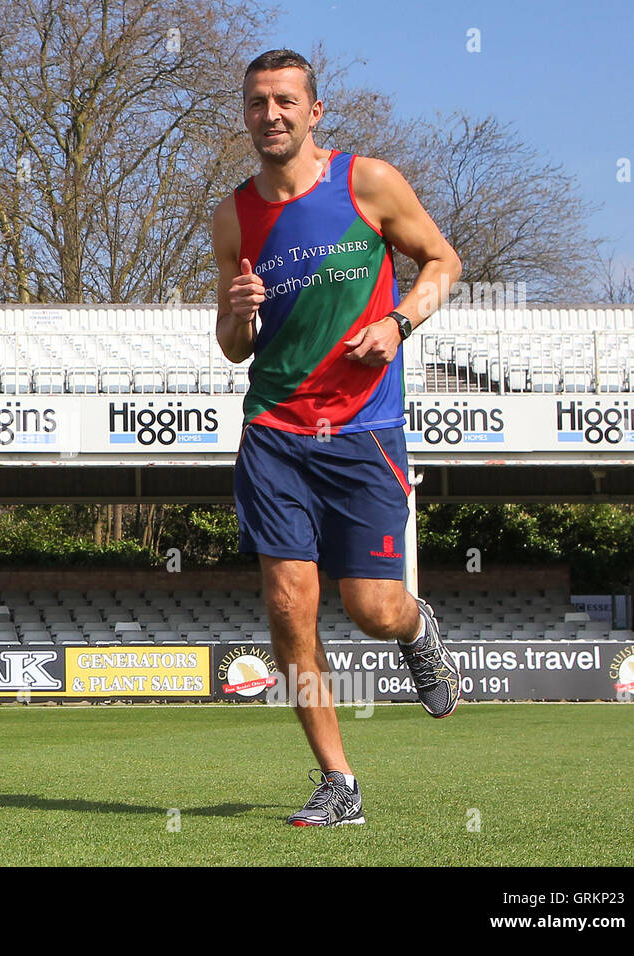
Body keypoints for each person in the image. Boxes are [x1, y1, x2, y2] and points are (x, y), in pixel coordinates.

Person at [211, 50, 464, 827]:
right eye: (258, 103)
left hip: (364, 432)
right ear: (246, 115)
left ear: (314, 111)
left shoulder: (368, 183)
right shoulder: (232, 216)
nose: (271, 115)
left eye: (285, 100)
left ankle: (416, 629)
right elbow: (230, 345)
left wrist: (398, 322)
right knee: (289, 607)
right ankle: (338, 781)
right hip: (276, 430)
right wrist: (240, 311)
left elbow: (442, 261)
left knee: (371, 608)